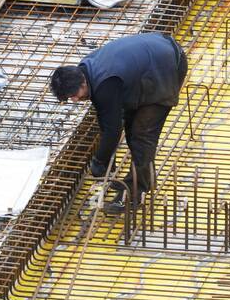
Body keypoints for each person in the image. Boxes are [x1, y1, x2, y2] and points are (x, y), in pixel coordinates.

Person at [49, 31, 188, 214]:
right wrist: (105, 156)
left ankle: (135, 192)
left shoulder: (105, 84)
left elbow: (112, 129)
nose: (74, 100)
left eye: (74, 95)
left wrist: (101, 159)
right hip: (155, 59)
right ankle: (142, 175)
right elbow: (107, 116)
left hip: (168, 67)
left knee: (142, 135)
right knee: (132, 127)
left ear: (82, 84)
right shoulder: (86, 69)